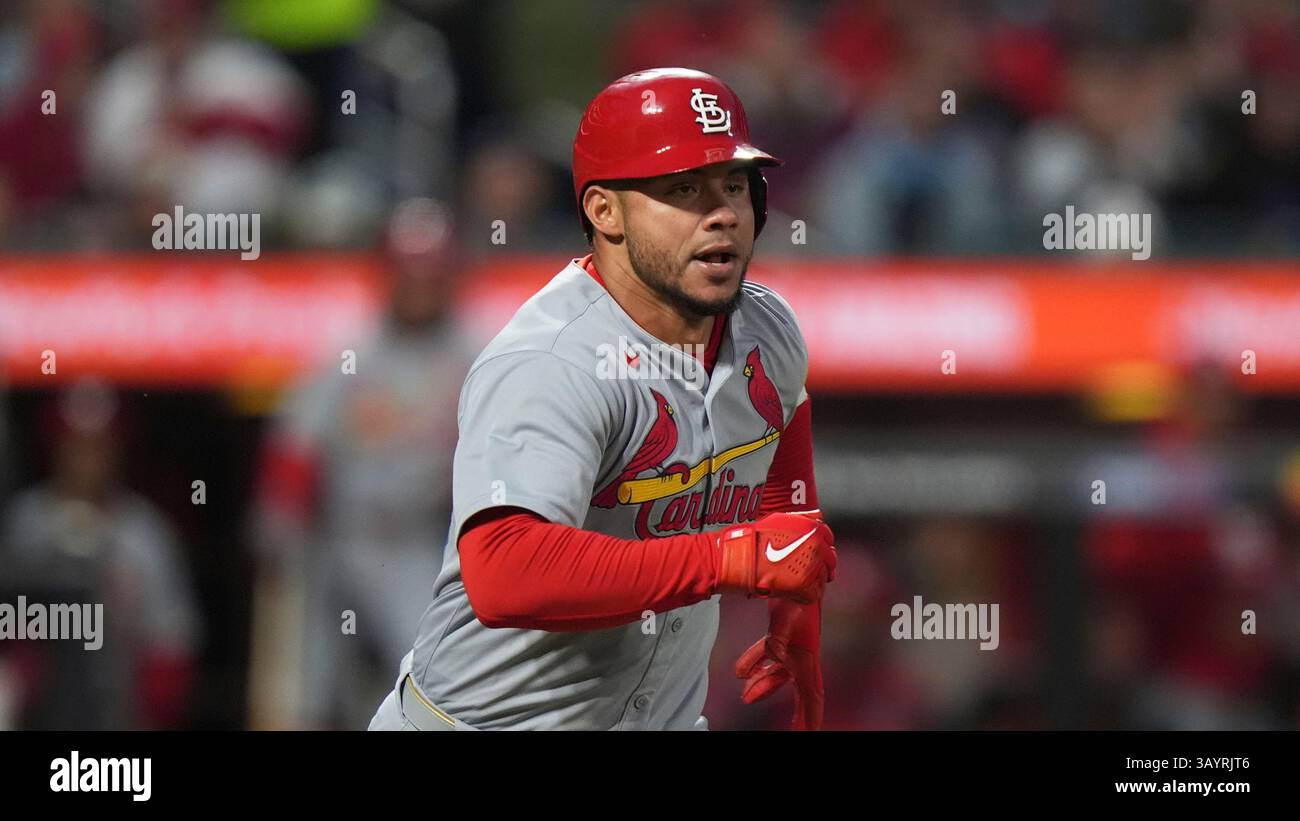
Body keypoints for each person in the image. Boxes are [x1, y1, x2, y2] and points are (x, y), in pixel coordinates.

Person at [368, 68, 836, 731]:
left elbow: (783, 426)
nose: (724, 212)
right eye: (683, 189)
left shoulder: (768, 329)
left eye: (734, 184)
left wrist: (792, 603)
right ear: (603, 212)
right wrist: (733, 556)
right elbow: (506, 570)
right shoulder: (553, 359)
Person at [251, 199, 477, 728]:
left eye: (431, 275)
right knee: (307, 689)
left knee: (432, 678)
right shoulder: (351, 349)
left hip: (424, 544)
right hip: (339, 538)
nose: (419, 287)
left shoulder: (476, 352)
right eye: (408, 274)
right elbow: (295, 448)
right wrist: (279, 525)